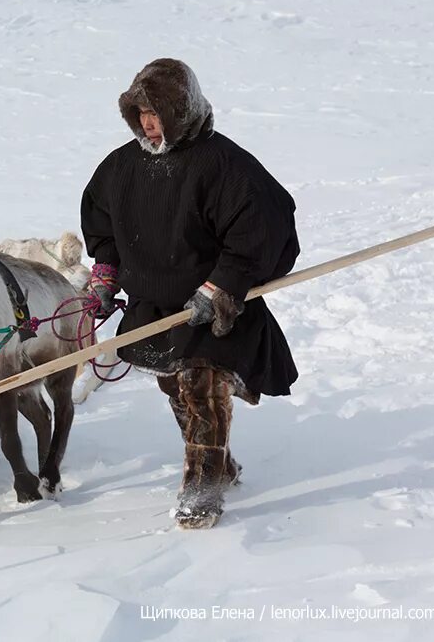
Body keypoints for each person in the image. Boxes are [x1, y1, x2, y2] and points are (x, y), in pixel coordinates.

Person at [80, 58, 300, 529]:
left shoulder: (223, 165)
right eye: (139, 113)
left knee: (201, 386)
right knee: (175, 388)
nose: (147, 124)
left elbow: (262, 226)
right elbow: (103, 225)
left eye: (155, 112)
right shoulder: (121, 167)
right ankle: (216, 462)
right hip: (155, 307)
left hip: (214, 305)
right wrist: (105, 275)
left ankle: (201, 487)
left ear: (180, 110)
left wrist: (221, 286)